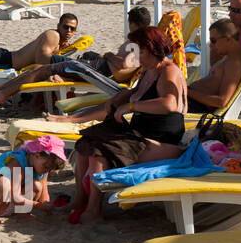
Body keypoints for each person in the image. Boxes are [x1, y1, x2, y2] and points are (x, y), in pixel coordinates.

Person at [58, 26, 188, 224]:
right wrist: (121, 99)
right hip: (139, 135)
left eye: (140, 51)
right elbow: (135, 91)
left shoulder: (169, 71)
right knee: (86, 144)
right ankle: (80, 200)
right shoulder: (149, 70)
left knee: (98, 151)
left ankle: (94, 209)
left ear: (153, 49)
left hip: (162, 142)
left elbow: (170, 103)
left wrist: (131, 106)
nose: (138, 56)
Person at [0, 8, 148, 104]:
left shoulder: (137, 42)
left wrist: (109, 55)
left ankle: (0, 92)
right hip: (97, 70)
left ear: (132, 23)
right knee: (38, 69)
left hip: (96, 70)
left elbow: (124, 65)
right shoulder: (142, 41)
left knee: (40, 69)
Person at [0, 135, 67, 224]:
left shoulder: (42, 167)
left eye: (49, 169)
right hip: (3, 204)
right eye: (46, 167)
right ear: (37, 155)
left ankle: (23, 214)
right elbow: (15, 197)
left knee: (37, 185)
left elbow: (44, 192)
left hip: (20, 202)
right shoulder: (17, 162)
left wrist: (47, 208)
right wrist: (37, 205)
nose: (47, 170)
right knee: (3, 182)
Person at [186, 19, 241, 113]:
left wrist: (186, 91)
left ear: (228, 39)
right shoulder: (228, 58)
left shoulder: (235, 64)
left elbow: (222, 101)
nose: (211, 45)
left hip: (195, 105)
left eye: (213, 40)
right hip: (191, 100)